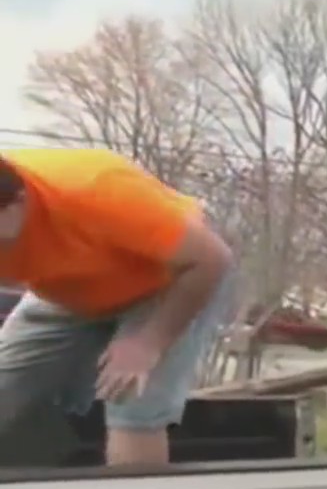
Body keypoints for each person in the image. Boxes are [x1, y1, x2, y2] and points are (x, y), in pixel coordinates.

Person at [0, 149, 235, 466]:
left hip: (165, 283)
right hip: (65, 288)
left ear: (19, 201)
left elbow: (211, 260)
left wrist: (148, 342)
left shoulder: (93, 193)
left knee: (132, 401)